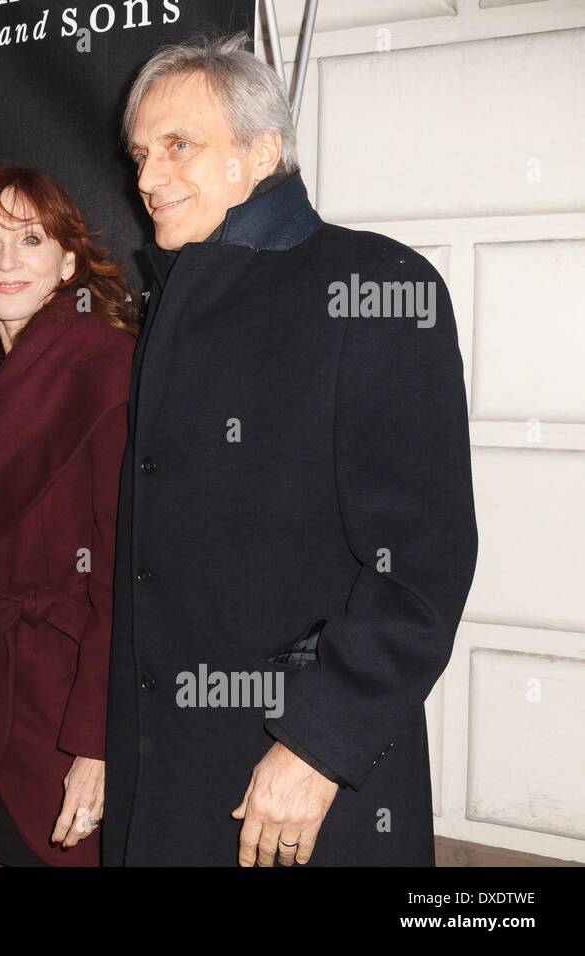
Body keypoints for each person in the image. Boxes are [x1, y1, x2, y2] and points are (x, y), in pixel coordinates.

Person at [104, 33, 478, 866]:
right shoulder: (174, 301)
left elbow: (421, 565)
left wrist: (317, 745)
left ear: (261, 151)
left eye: (178, 147)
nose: (147, 178)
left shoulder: (378, 288)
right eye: (140, 154)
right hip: (167, 777)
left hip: (297, 787)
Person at [0, 165, 137, 866]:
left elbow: (122, 581)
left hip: (61, 713)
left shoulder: (109, 370)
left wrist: (96, 744)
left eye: (30, 239)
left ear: (69, 259)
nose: (7, 262)